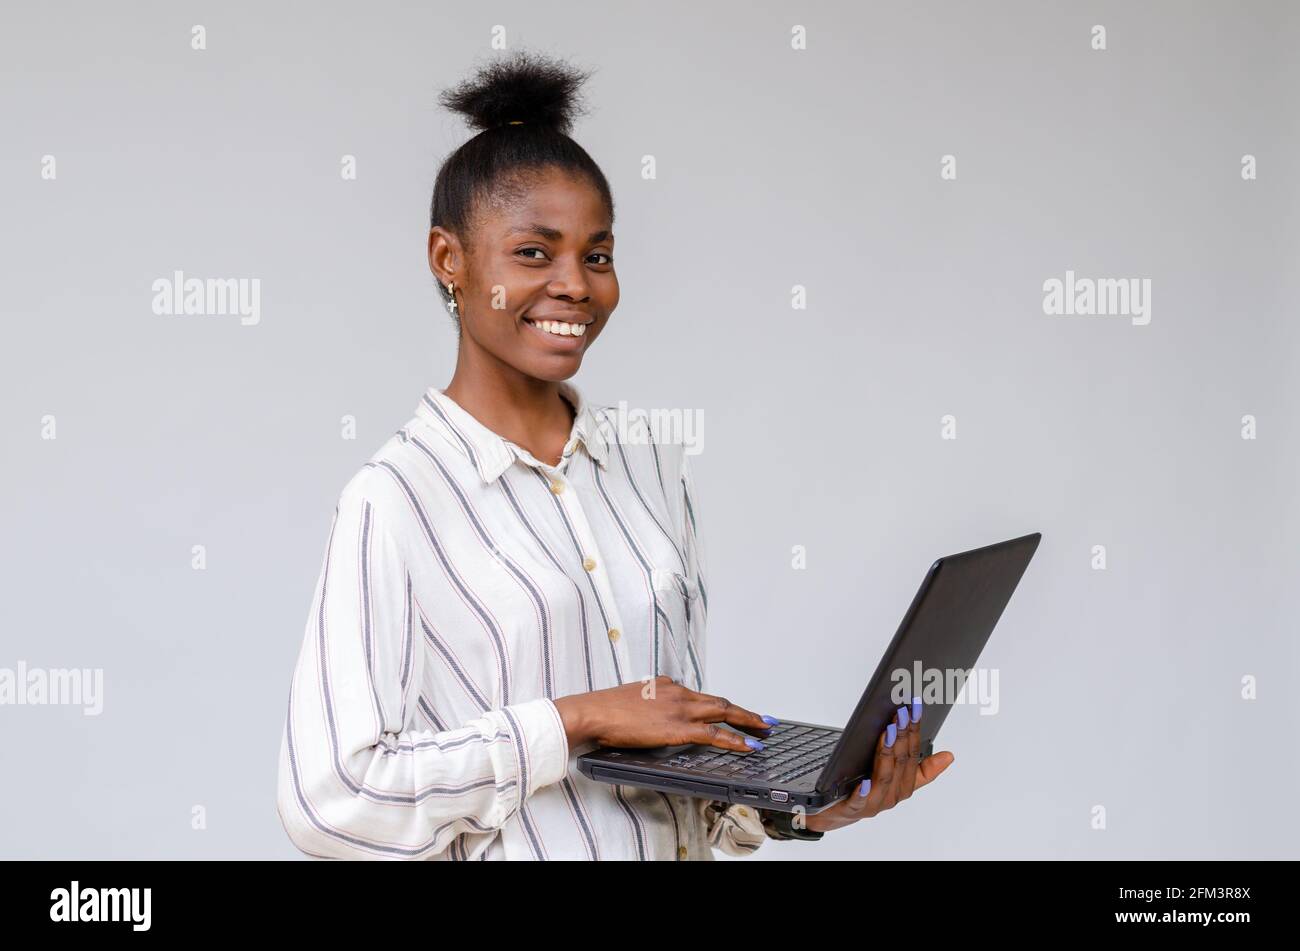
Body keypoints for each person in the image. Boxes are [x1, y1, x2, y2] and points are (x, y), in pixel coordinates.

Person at [275, 49, 954, 860]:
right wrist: (574, 718)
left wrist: (806, 803)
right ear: (449, 260)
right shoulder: (395, 499)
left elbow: (672, 765)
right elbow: (332, 797)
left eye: (596, 255)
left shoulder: (647, 465)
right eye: (534, 253)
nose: (576, 285)